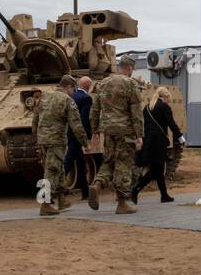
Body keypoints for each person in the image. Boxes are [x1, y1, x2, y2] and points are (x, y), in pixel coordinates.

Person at [89, 54, 146, 214]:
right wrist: (139, 135)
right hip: (125, 131)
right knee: (123, 164)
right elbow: (136, 112)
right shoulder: (130, 84)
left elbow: (94, 110)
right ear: (129, 68)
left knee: (108, 161)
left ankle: (97, 184)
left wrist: (95, 130)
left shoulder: (103, 83)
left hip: (107, 130)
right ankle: (122, 203)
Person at [33, 75, 89, 215]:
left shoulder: (43, 97)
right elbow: (76, 125)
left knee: (59, 170)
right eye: (73, 89)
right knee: (52, 171)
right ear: (69, 87)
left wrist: (37, 138)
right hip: (56, 141)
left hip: (43, 140)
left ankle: (62, 199)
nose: (73, 92)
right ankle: (45, 204)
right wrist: (84, 142)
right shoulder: (67, 100)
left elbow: (35, 120)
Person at [132, 87, 180, 204]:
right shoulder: (164, 107)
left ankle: (164, 195)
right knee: (155, 171)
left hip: (149, 142)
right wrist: (180, 137)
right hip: (159, 143)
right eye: (169, 98)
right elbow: (171, 124)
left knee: (158, 170)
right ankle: (136, 189)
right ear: (165, 97)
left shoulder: (147, 107)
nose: (169, 101)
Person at [63, 75, 94, 198]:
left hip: (69, 132)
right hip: (77, 134)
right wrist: (87, 137)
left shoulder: (71, 97)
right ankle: (52, 189)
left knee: (81, 162)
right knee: (68, 162)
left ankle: (85, 192)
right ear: (89, 86)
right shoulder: (86, 98)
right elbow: (85, 119)